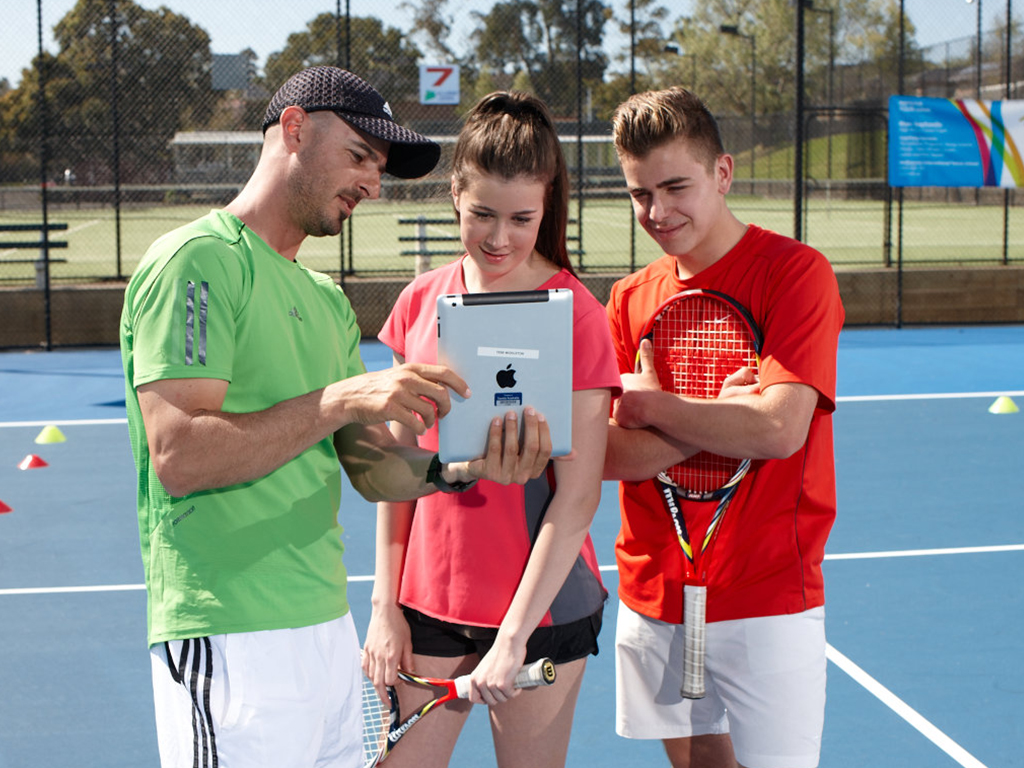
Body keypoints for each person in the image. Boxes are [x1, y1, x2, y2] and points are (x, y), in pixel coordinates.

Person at [119, 67, 552, 768]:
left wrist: (466, 468)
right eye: (358, 157)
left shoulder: (323, 300)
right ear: (293, 130)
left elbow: (374, 467)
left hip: (324, 631)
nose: (373, 184)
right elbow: (180, 457)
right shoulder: (196, 262)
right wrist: (345, 399)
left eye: (379, 169)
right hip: (229, 630)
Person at [361, 91, 622, 768]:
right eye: (481, 214)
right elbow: (395, 475)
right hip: (427, 601)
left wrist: (513, 638)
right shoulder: (418, 302)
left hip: (543, 614)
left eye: (521, 218)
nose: (499, 238)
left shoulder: (579, 316)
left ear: (547, 205)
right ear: (455, 195)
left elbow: (578, 498)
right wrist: (383, 605)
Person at [603, 87, 845, 768]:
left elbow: (777, 430)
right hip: (656, 590)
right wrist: (720, 418)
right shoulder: (629, 299)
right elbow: (610, 455)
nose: (657, 211)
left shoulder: (795, 275)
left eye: (675, 186)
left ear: (723, 173)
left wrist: (652, 407)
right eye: (639, 193)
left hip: (768, 593)